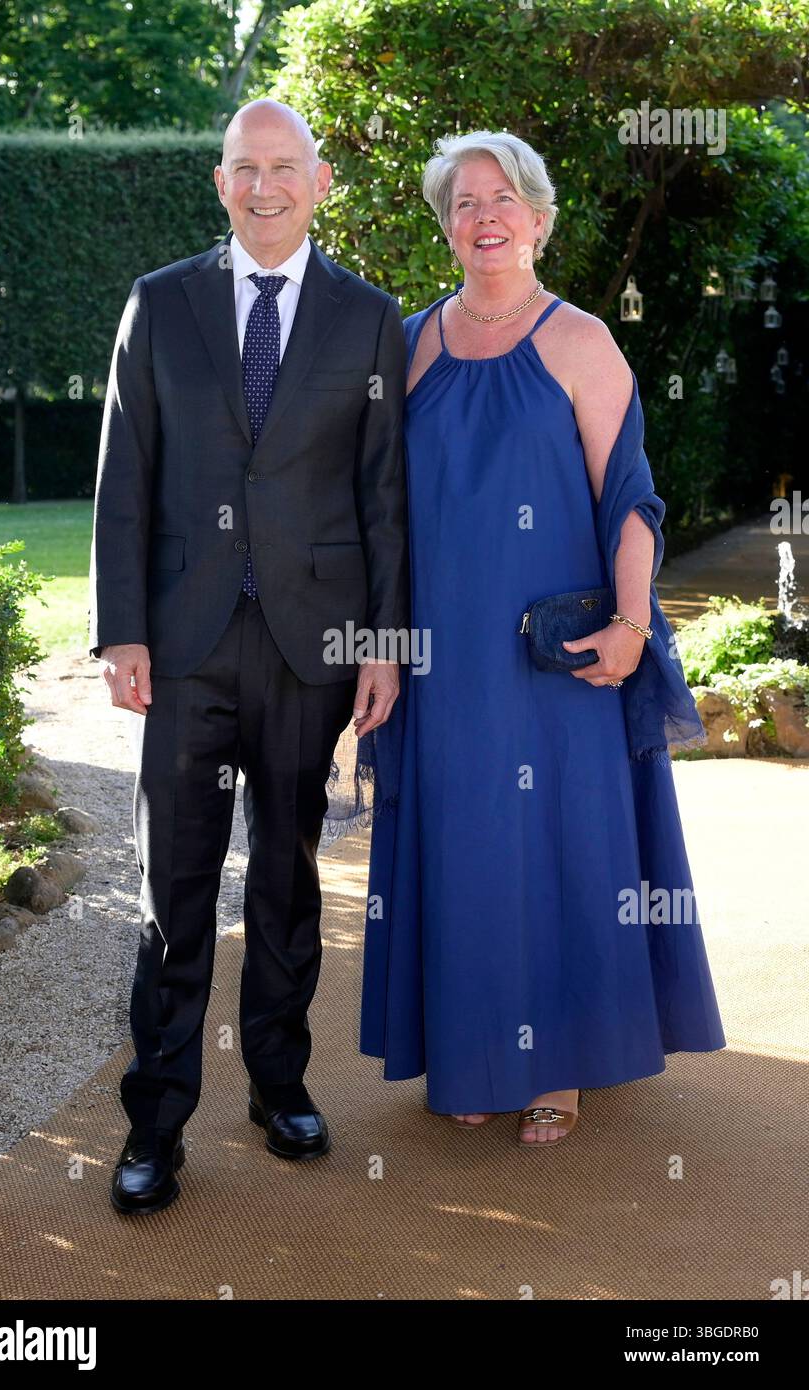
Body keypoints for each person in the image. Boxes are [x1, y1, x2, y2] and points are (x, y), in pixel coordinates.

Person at [357, 131, 726, 1145]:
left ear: (539, 218)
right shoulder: (414, 342)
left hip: (551, 658)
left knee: (558, 847)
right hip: (444, 658)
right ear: (447, 226)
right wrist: (380, 649)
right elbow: (378, 510)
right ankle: (476, 1054)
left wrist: (630, 624)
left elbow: (633, 502)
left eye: (503, 199)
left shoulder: (580, 340)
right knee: (465, 850)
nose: (485, 217)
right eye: (465, 203)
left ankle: (557, 1063)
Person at [89, 99, 408, 1213]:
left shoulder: (370, 318)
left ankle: (280, 1084)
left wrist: (379, 642)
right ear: (218, 182)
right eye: (244, 169)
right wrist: (121, 628)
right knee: (174, 890)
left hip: (311, 644)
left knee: (286, 875)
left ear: (319, 181)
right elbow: (123, 472)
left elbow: (383, 498)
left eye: (285, 168)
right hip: (181, 643)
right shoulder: (159, 303)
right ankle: (155, 1122)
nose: (264, 187)